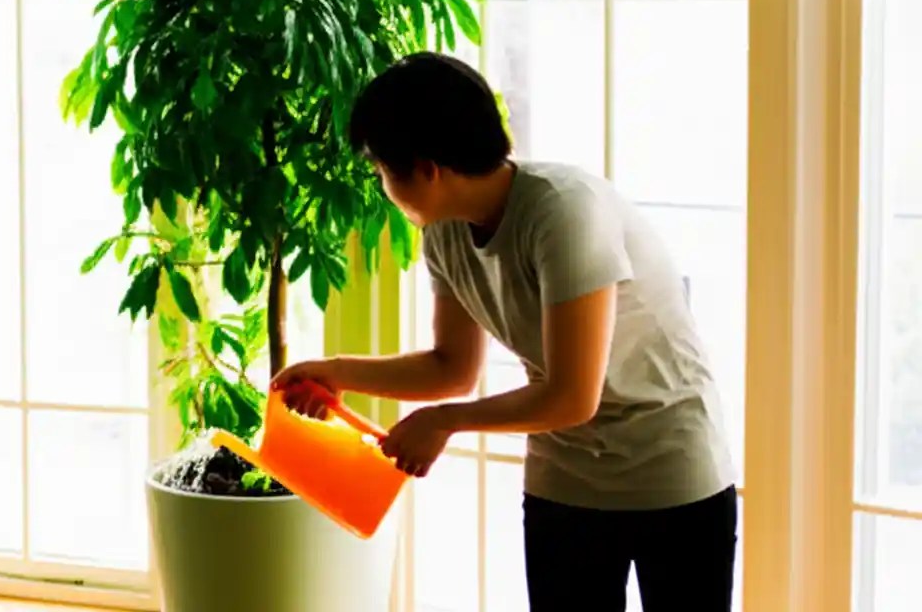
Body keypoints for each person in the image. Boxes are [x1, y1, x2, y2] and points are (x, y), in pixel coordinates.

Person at [272, 52, 738, 611]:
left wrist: (445, 423)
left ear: (427, 169)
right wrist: (338, 371)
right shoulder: (444, 232)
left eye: (381, 171)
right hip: (564, 477)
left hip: (670, 468)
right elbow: (452, 368)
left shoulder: (564, 214)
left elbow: (573, 394)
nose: (380, 185)